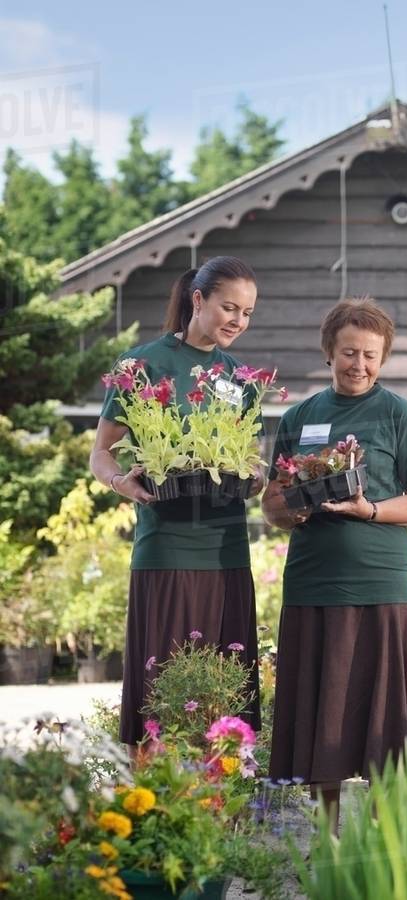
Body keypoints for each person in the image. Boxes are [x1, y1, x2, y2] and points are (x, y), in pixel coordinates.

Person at [262, 296, 407, 826]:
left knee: (383, 719)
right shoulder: (301, 416)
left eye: (369, 355)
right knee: (323, 713)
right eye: (348, 352)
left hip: (378, 587)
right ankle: (327, 835)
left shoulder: (398, 415)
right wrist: (295, 507)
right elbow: (272, 504)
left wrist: (370, 510)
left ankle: (386, 838)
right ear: (328, 352)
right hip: (313, 586)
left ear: (382, 358)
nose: (358, 364)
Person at [89, 256, 263, 749]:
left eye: (247, 313)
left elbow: (249, 456)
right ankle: (151, 807)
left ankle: (222, 807)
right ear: (197, 300)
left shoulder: (241, 378)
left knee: (223, 695)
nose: (238, 320)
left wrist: (256, 474)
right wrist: (121, 481)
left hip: (227, 549)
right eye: (229, 307)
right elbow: (100, 452)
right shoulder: (142, 364)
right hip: (165, 547)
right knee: (158, 692)